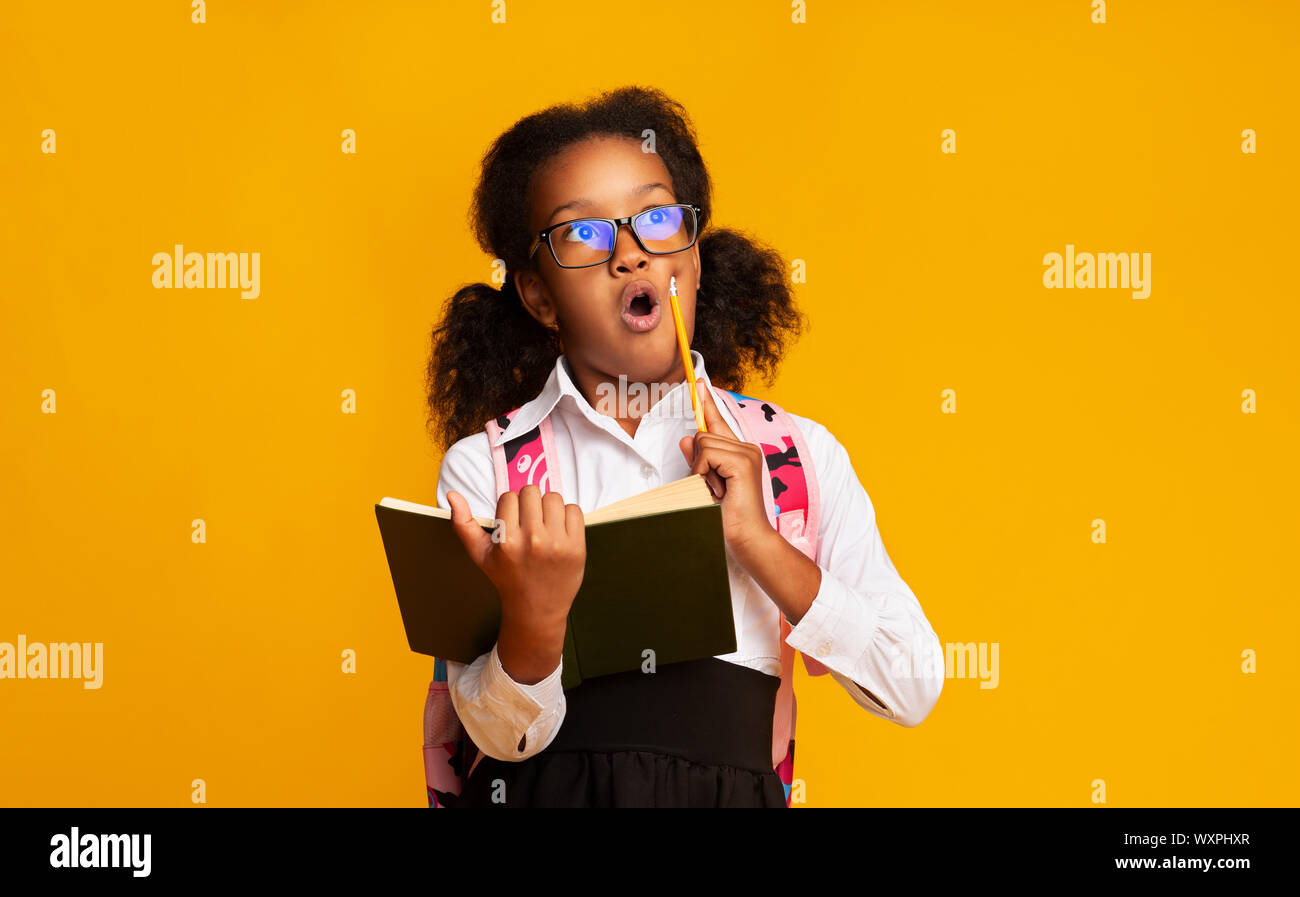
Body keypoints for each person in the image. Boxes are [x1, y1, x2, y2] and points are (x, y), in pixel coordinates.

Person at [425, 85, 943, 807]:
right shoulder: (489, 467)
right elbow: (492, 733)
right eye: (586, 233)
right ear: (539, 296)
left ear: (693, 260)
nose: (631, 255)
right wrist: (535, 620)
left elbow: (912, 681)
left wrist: (761, 542)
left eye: (657, 221)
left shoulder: (799, 457)